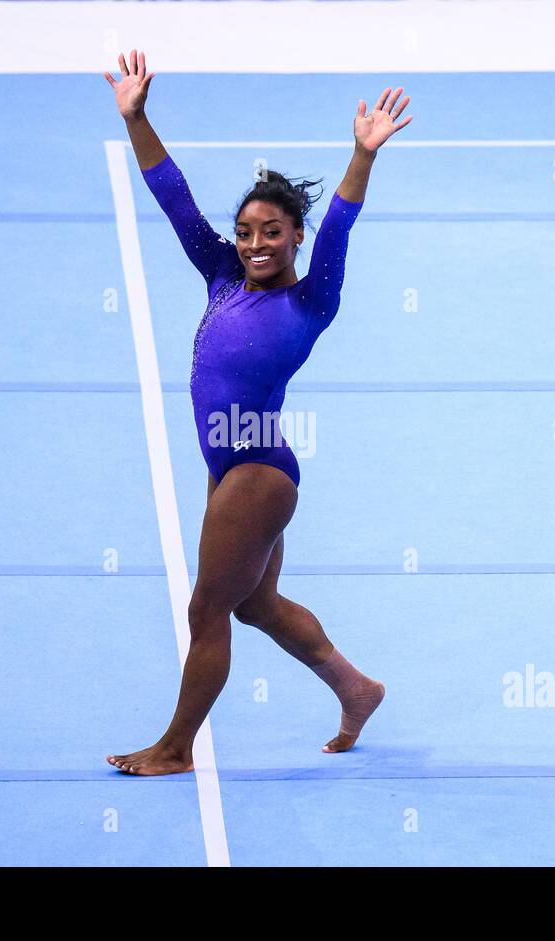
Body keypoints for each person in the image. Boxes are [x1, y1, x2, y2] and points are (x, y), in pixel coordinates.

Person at [103, 49, 412, 775]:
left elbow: (339, 224)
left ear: (294, 238)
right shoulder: (221, 276)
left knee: (207, 610)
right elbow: (173, 198)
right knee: (255, 606)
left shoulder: (309, 302)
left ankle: (176, 748)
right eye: (245, 232)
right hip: (231, 462)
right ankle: (356, 688)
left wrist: (360, 155)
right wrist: (138, 118)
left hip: (257, 470)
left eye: (271, 232)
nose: (254, 244)